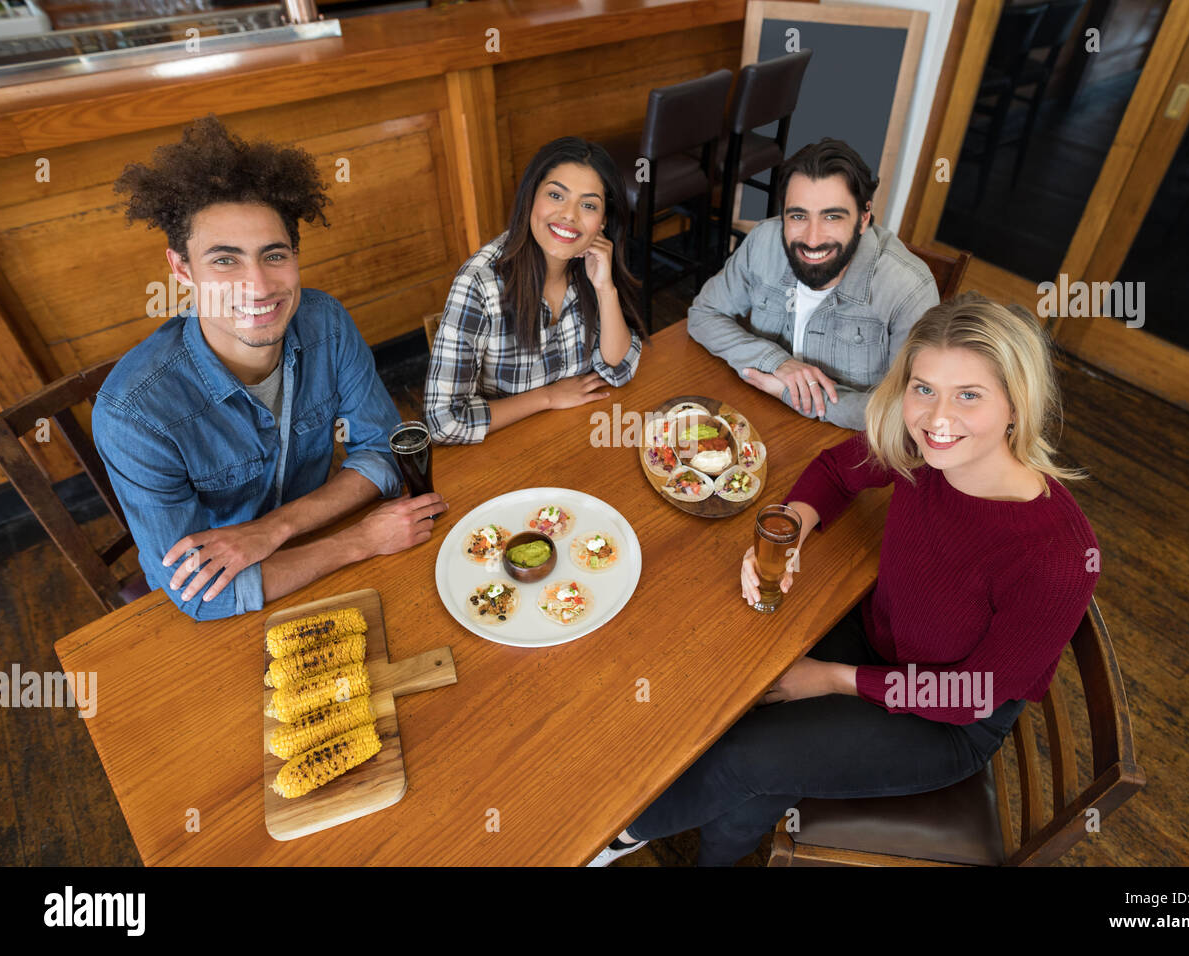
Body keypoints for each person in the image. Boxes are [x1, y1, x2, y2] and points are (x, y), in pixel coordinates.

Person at [592, 292, 1100, 866]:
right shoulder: (920, 447)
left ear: (1017, 405)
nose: (937, 418)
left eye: (969, 396)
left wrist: (834, 679)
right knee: (737, 684)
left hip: (949, 719)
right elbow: (837, 469)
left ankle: (616, 838)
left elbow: (971, 695)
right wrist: (790, 531)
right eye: (924, 388)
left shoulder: (1056, 555)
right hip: (880, 642)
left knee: (745, 755)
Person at [95, 115, 447, 621]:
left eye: (274, 255)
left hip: (315, 545)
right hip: (241, 602)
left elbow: (384, 454)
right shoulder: (132, 413)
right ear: (181, 269)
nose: (258, 287)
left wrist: (275, 528)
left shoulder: (324, 320)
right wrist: (358, 541)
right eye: (224, 261)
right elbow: (201, 595)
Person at [688, 138, 939, 430]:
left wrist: (789, 393)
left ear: (864, 217)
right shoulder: (764, 240)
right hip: (755, 416)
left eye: (832, 216)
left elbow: (908, 410)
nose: (812, 238)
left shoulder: (909, 289)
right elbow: (703, 314)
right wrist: (775, 362)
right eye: (798, 216)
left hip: (848, 445)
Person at [424, 137, 646, 443]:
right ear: (531, 197)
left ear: (604, 221)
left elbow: (618, 368)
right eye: (556, 195)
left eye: (588, 204)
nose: (569, 214)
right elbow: (443, 422)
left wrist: (606, 289)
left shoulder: (592, 262)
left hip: (576, 435)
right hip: (505, 447)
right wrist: (548, 397)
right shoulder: (479, 283)